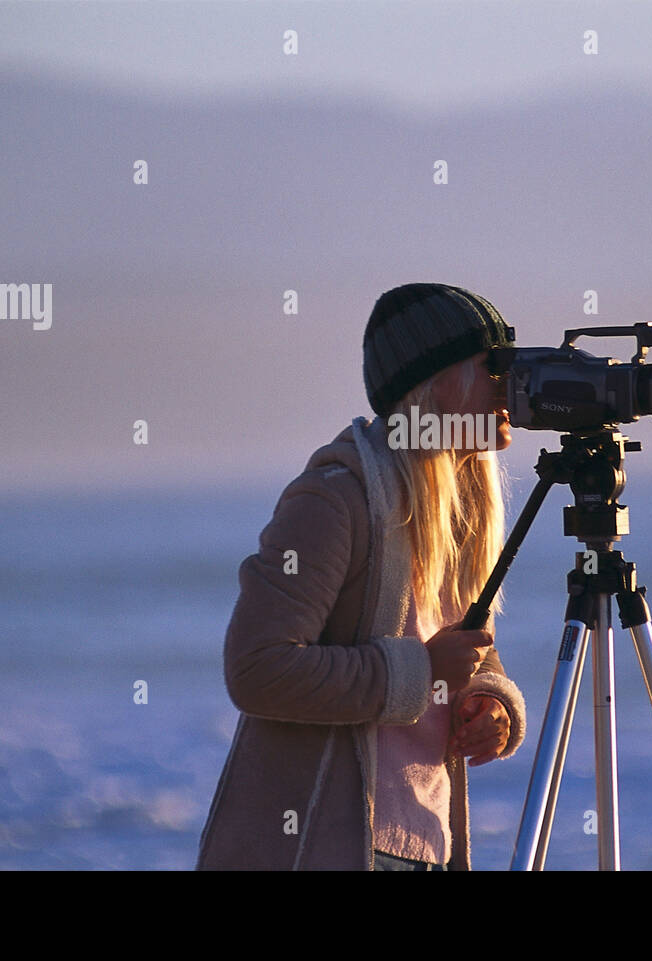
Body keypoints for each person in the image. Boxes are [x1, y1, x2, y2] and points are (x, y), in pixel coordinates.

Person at [196, 282, 527, 871]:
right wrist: (421, 670)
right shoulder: (334, 501)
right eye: (492, 366)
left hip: (421, 844)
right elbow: (257, 668)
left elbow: (464, 650)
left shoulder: (463, 509)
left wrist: (490, 703)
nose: (513, 385)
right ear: (430, 387)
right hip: (317, 846)